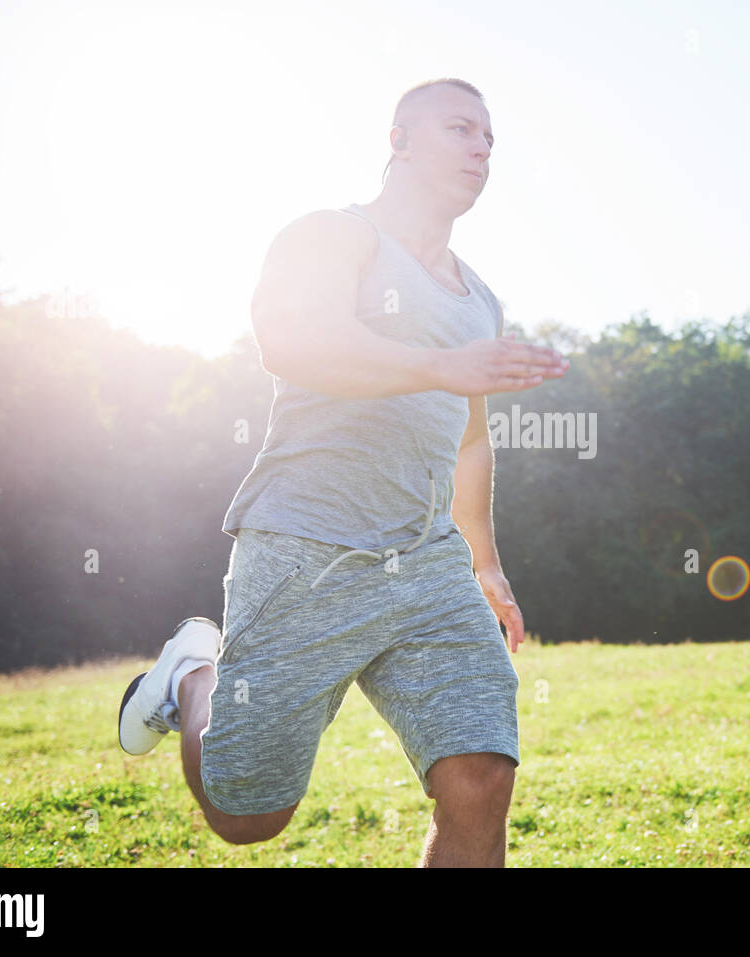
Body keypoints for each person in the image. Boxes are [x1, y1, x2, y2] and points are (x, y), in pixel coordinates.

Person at [117, 78, 567, 866]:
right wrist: (441, 362)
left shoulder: (481, 301)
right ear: (398, 140)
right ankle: (193, 672)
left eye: (491, 139)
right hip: (306, 546)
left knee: (481, 773)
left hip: (428, 564)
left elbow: (469, 442)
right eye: (462, 128)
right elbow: (294, 340)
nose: (482, 148)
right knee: (246, 814)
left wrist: (485, 562)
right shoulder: (332, 234)